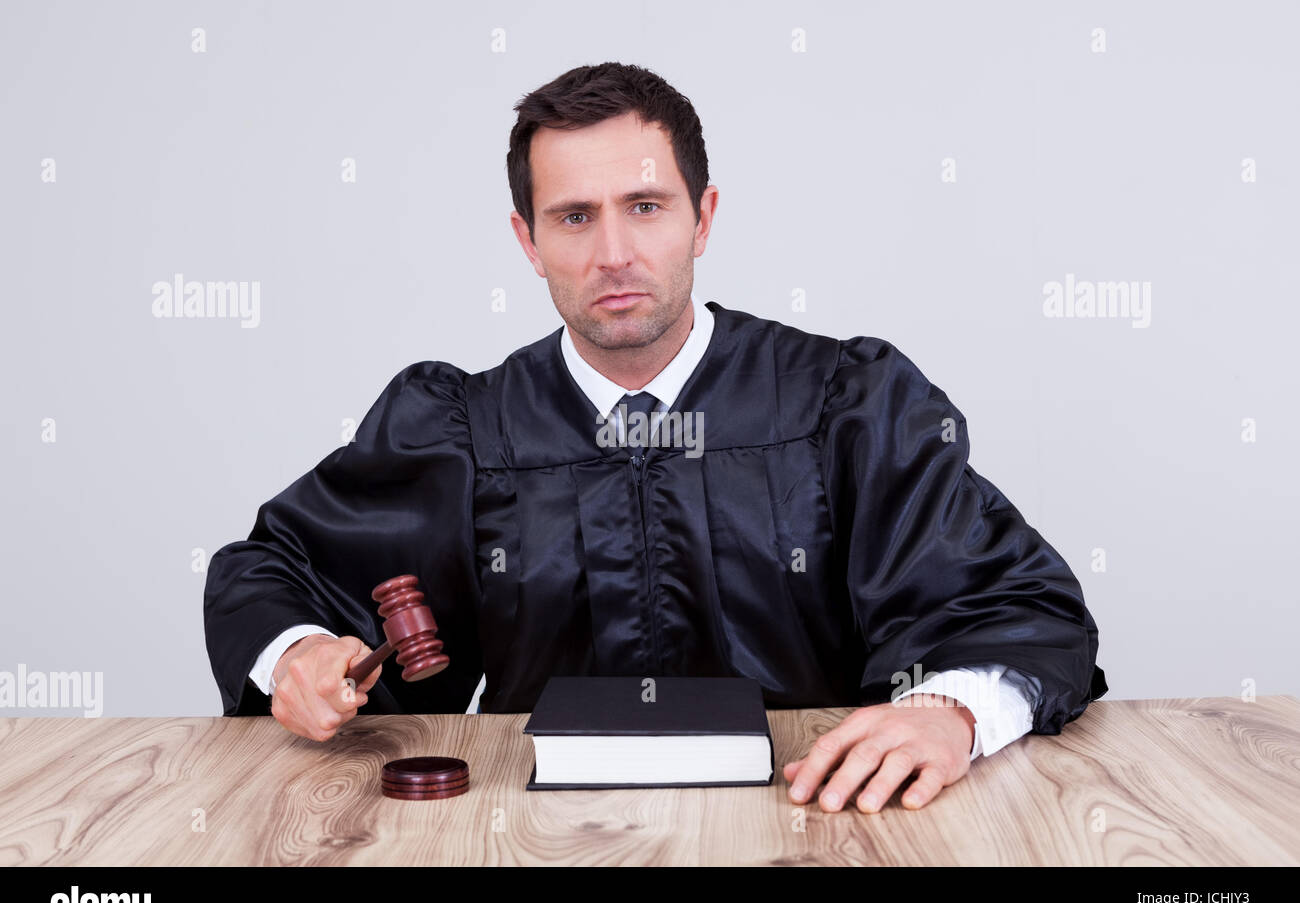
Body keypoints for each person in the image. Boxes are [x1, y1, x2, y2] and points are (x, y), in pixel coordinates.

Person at [204, 62, 1106, 814]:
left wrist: (949, 711)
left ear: (703, 216)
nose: (613, 255)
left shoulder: (846, 403)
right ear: (526, 239)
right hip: (535, 833)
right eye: (573, 216)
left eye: (645, 205)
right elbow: (272, 572)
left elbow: (1014, 605)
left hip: (819, 823)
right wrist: (298, 653)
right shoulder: (465, 429)